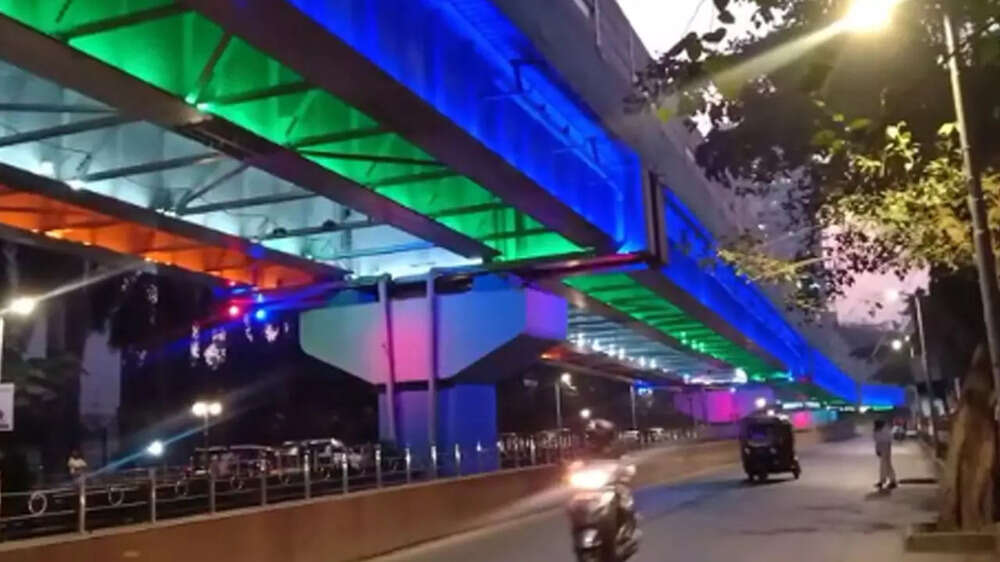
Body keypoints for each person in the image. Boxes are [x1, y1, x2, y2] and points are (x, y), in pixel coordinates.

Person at [873, 419, 897, 490]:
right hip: (882, 447)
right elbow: (877, 441)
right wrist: (877, 449)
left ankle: (887, 480)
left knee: (885, 464)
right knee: (885, 465)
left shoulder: (885, 430)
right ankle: (887, 480)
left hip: (886, 447)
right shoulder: (877, 430)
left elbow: (889, 439)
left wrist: (881, 448)